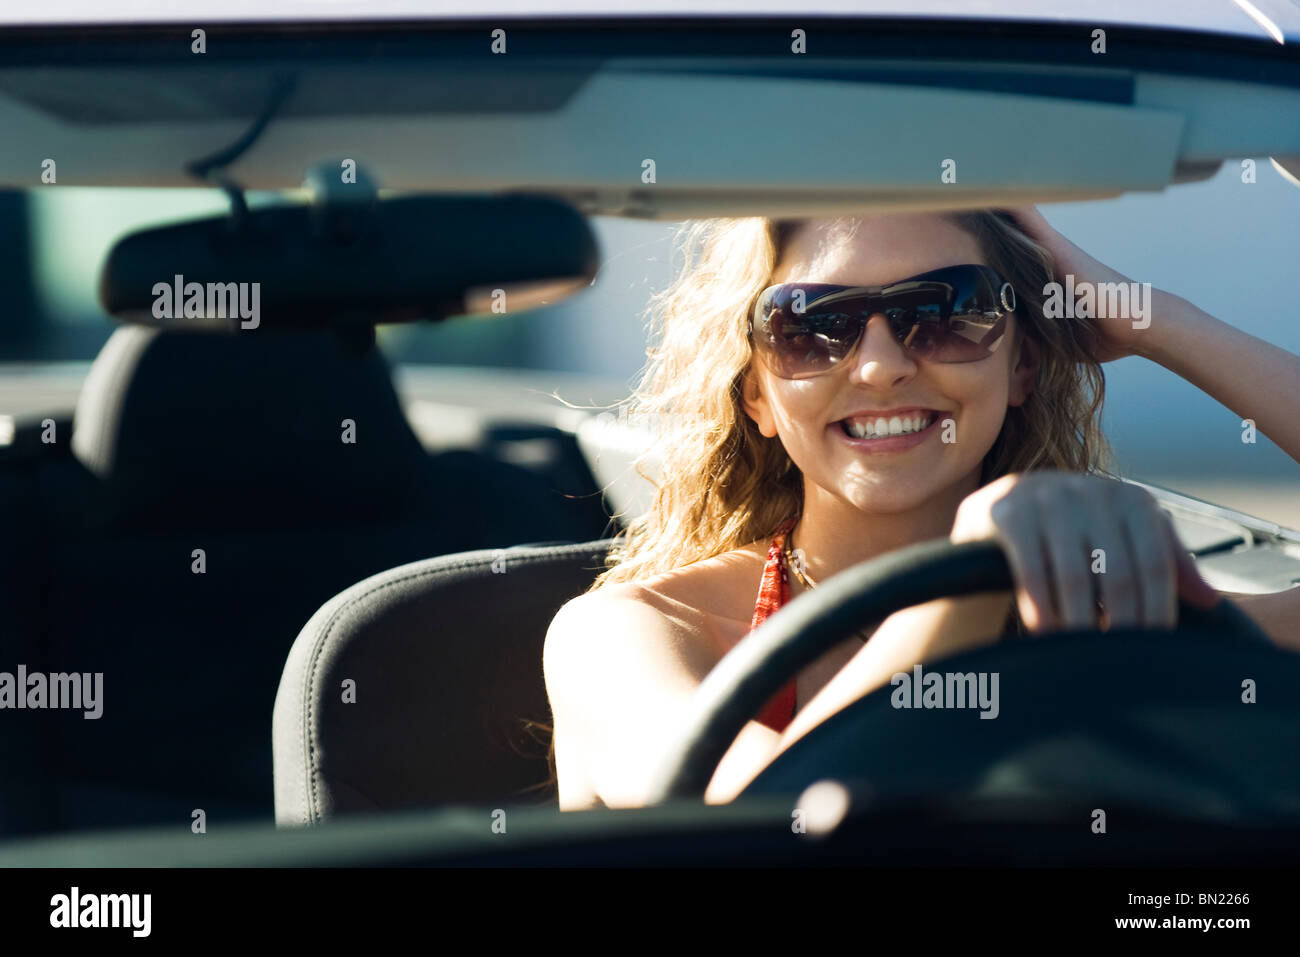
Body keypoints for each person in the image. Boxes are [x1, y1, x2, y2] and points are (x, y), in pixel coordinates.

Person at [540, 207, 1300, 811]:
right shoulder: (619, 635)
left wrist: (1152, 320)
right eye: (813, 325)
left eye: (946, 312)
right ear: (757, 395)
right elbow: (763, 817)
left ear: (1023, 365)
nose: (879, 366)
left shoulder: (1097, 615)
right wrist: (967, 582)